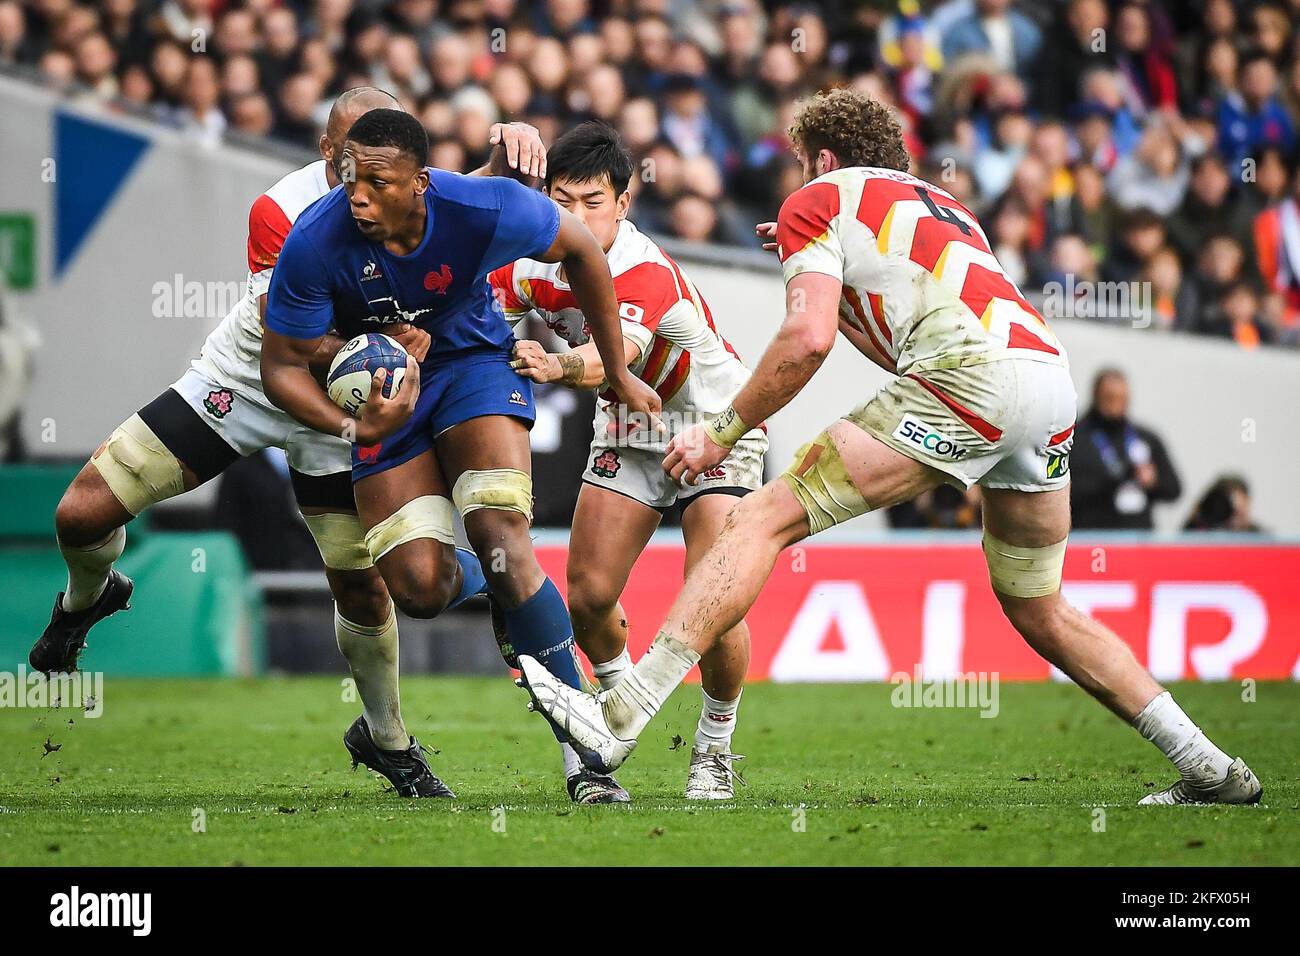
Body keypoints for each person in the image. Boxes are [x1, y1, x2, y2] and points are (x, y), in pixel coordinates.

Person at [520, 89, 1262, 808]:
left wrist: (723, 431)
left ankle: (619, 718)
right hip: (1048, 382)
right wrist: (829, 267)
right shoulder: (946, 210)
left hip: (967, 379)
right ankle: (1209, 765)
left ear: (824, 158)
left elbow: (806, 340)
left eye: (800, 167)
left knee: (761, 520)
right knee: (1039, 604)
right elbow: (901, 307)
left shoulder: (815, 199)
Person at [28, 87, 547, 800]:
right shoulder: (284, 209)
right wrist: (387, 338)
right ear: (327, 150)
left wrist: (503, 153)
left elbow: (467, 208)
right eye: (345, 153)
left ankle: (388, 738)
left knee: (362, 586)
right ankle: (87, 599)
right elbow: (294, 343)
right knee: (80, 515)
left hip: (344, 408)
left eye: (374, 157)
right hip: (249, 381)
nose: (357, 173)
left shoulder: (401, 192)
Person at [259, 109, 662, 805]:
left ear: (419, 183)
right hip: (389, 400)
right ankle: (494, 585)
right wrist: (351, 427)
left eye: (376, 182)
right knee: (418, 590)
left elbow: (586, 252)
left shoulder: (481, 205)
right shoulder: (315, 240)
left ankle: (584, 758)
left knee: (501, 527)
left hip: (474, 365)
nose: (356, 195)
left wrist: (620, 372)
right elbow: (281, 365)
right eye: (351, 178)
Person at [494, 122, 768, 800]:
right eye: (562, 200)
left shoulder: (641, 268)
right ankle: (622, 711)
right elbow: (476, 319)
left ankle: (713, 746)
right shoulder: (529, 261)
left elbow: (608, 361)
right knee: (586, 596)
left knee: (714, 597)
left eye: (593, 202)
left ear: (624, 201)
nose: (576, 217)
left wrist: (554, 363)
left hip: (712, 424)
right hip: (628, 424)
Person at [1070, 368, 1181, 529]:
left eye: (1122, 399)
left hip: (1140, 538)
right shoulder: (1076, 438)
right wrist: (1115, 479)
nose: (1116, 405)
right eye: (1109, 398)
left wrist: (1153, 482)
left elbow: (1174, 489)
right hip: (1092, 537)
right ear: (1096, 396)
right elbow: (1071, 491)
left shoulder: (1145, 437)